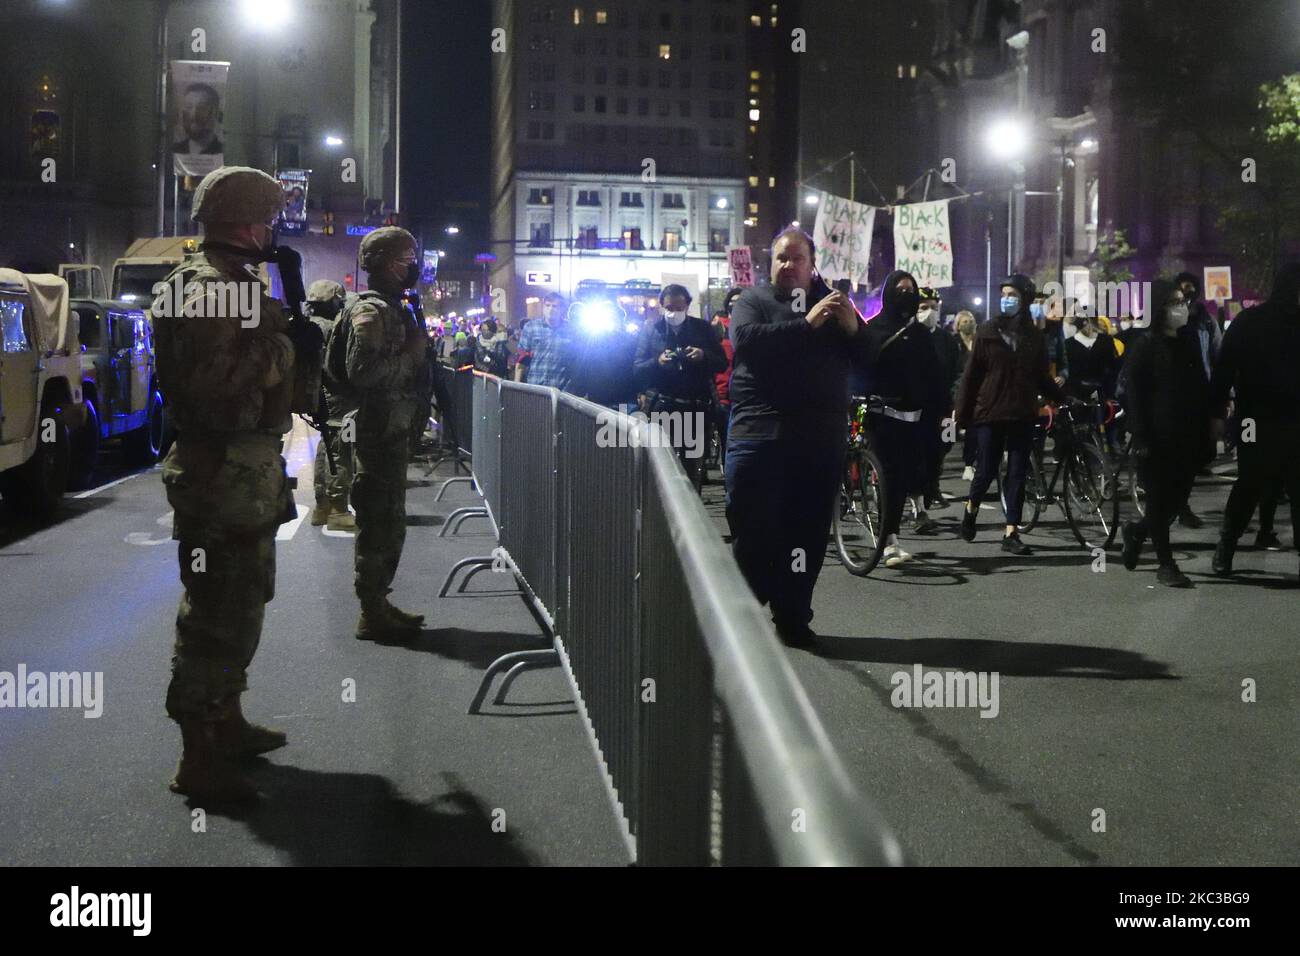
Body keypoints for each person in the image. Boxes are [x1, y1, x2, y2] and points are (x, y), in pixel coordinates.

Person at [152, 166, 318, 801]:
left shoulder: (235, 284)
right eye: (269, 218)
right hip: (220, 469)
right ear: (249, 222)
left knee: (242, 601)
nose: (273, 229)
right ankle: (198, 757)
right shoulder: (212, 288)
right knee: (217, 613)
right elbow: (210, 381)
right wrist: (286, 348)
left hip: (240, 470)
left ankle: (226, 721)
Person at [726, 227, 868, 644]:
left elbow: (869, 362)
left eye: (796, 258)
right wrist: (806, 324)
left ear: (812, 262)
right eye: (780, 258)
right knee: (754, 531)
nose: (788, 266)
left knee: (805, 533)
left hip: (817, 440)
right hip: (758, 436)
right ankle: (745, 614)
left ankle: (792, 617)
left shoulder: (837, 304)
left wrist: (855, 330)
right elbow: (747, 342)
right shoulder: (754, 301)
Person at [344, 227, 429, 641]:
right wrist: (410, 358)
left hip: (391, 430)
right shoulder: (372, 312)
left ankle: (378, 602)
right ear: (382, 264)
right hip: (377, 433)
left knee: (390, 520)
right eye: (405, 259)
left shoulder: (397, 306)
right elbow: (362, 372)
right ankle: (370, 610)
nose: (413, 267)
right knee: (379, 521)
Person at [955, 274, 1067, 556]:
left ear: (1025, 301)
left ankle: (1011, 531)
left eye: (1013, 295)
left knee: (1017, 473)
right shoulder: (987, 331)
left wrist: (1063, 398)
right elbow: (971, 376)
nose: (1006, 299)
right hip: (990, 412)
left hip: (1022, 413)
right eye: (1004, 294)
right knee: (986, 471)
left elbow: (1041, 377)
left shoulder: (1034, 337)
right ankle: (972, 508)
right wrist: (961, 415)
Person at [1119, 280, 1214, 587]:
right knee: (1160, 501)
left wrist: (1210, 422)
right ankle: (1166, 564)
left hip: (1187, 435)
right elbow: (1133, 392)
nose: (1181, 307)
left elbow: (1200, 385)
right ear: (1159, 309)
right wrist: (1140, 434)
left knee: (1176, 501)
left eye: (1183, 302)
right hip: (1157, 437)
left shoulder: (1186, 342)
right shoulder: (1145, 345)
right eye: (1174, 303)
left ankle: (1137, 532)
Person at [1209, 262, 1300, 579]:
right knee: (1265, 484)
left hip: (1254, 419)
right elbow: (1224, 371)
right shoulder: (1254, 322)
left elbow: (1223, 371)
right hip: (1272, 418)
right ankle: (1226, 546)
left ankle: (1226, 548)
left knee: (1249, 483)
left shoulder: (1248, 321)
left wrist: (1217, 411)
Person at [860, 273, 947, 565]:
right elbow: (860, 369)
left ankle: (892, 533)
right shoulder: (872, 331)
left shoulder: (920, 334)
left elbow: (934, 377)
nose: (905, 295)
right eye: (899, 290)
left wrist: (943, 412)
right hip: (881, 418)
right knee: (890, 478)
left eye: (910, 290)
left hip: (914, 420)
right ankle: (889, 540)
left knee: (906, 478)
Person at [634, 284, 727, 487]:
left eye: (678, 308)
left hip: (695, 407)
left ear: (687, 306)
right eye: (669, 308)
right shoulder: (652, 330)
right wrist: (657, 362)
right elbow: (638, 368)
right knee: (659, 467)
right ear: (661, 307)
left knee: (692, 469)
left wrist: (702, 356)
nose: (673, 313)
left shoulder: (702, 329)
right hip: (662, 405)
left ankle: (692, 513)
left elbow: (722, 362)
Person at [307, 279, 358, 532]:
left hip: (318, 395)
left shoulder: (309, 325)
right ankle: (338, 509)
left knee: (325, 445)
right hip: (338, 396)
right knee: (341, 447)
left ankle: (322, 505)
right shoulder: (331, 328)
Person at [918, 287, 962, 520]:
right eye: (924, 308)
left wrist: (955, 394)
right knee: (921, 451)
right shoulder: (911, 335)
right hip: (917, 406)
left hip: (944, 406)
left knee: (942, 447)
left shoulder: (947, 340)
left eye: (934, 307)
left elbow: (958, 371)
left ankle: (933, 485)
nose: (930, 312)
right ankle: (922, 495)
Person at [517, 292, 572, 388]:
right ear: (543, 307)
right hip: (535, 387)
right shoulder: (531, 327)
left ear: (562, 309)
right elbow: (522, 360)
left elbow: (575, 362)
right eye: (548, 305)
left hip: (560, 390)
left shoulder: (570, 330)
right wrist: (516, 385)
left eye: (555, 306)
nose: (551, 309)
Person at [953, 310, 979, 481]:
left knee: (973, 429)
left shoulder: (979, 342)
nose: (967, 324)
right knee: (947, 433)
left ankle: (969, 464)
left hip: (976, 393)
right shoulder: (953, 343)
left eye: (969, 320)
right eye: (964, 321)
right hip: (956, 392)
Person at [172, 83, 223, 155]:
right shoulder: (174, 150)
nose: (194, 115)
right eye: (188, 107)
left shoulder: (223, 152)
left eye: (202, 108)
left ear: (216, 114)